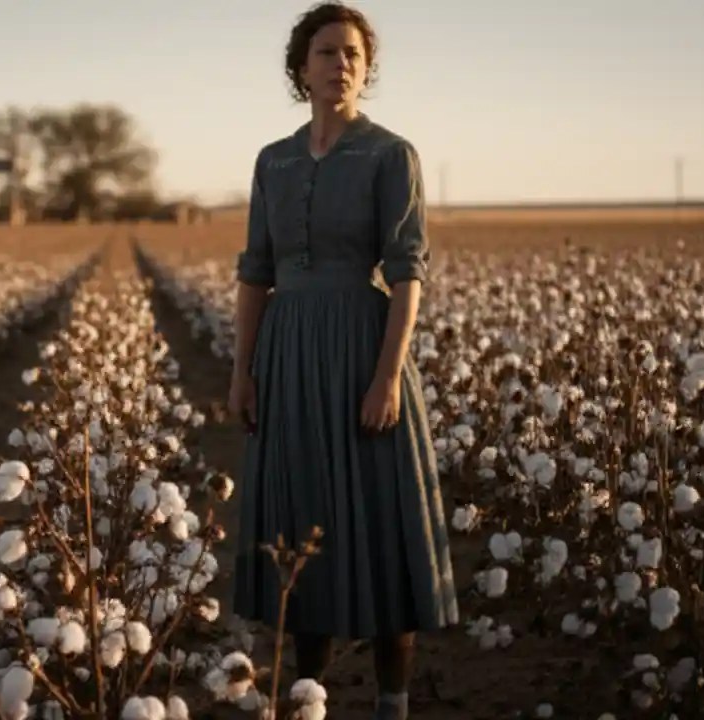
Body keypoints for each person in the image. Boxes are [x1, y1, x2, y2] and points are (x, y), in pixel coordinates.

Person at [227, 3, 459, 718]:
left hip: (363, 355)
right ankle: (308, 702)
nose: (342, 64)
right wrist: (242, 370)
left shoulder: (391, 155)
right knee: (305, 532)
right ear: (302, 69)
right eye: (327, 52)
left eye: (354, 53)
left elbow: (407, 274)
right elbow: (255, 271)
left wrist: (388, 376)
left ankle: (393, 704)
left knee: (385, 535)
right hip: (288, 357)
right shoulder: (274, 159)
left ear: (367, 67)